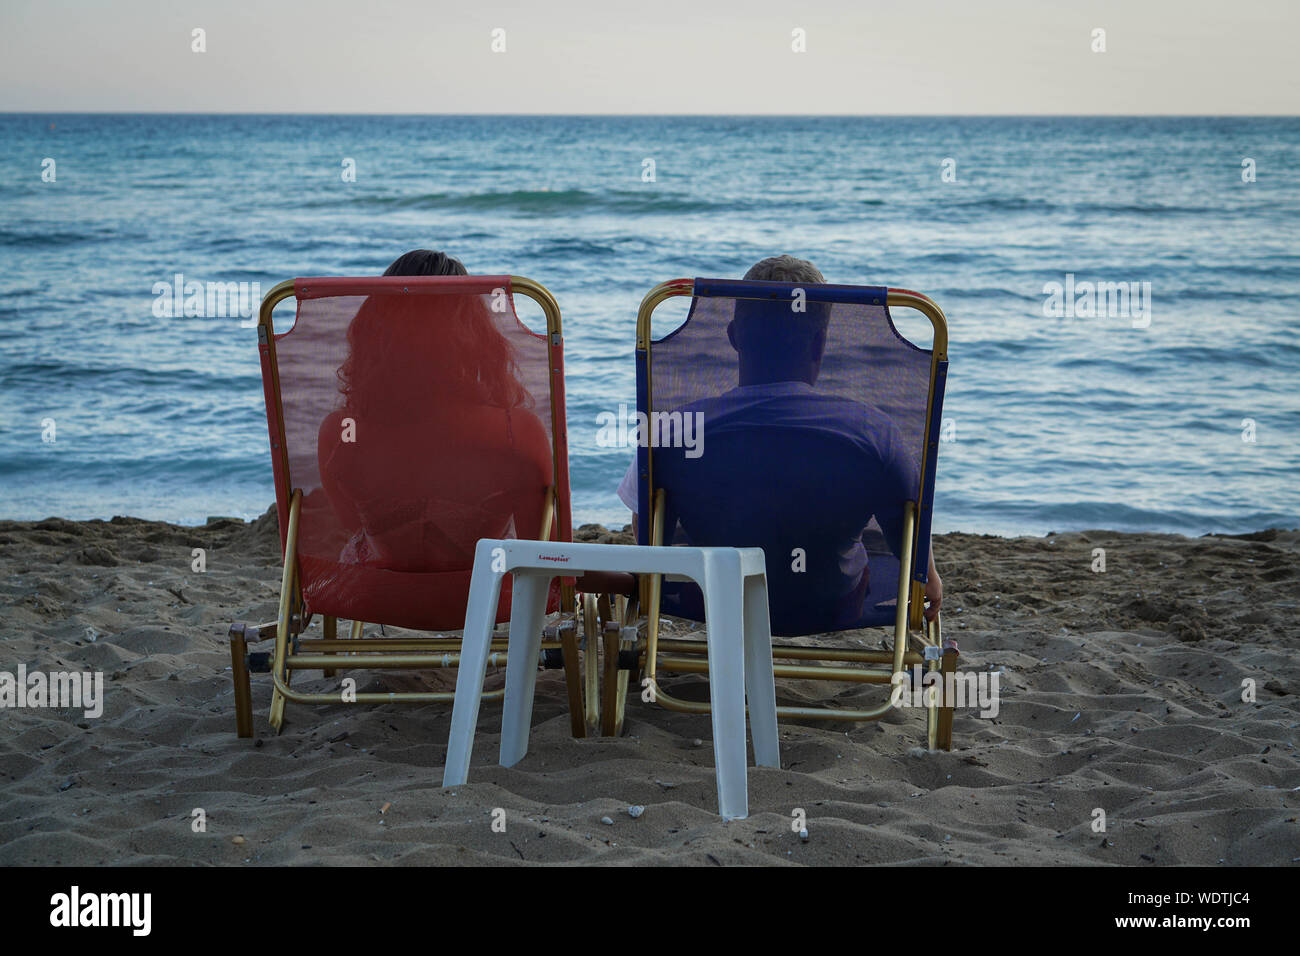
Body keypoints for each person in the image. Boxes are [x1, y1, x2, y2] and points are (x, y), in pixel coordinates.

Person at [616, 254, 942, 628]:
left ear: (734, 337)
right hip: (833, 606)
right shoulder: (874, 432)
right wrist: (929, 579)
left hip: (713, 601)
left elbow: (648, 536)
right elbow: (909, 534)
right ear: (821, 343)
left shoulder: (674, 429)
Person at [317, 249, 553, 572]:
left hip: (377, 593)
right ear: (474, 334)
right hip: (482, 591)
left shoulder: (340, 433)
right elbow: (541, 547)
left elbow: (348, 519)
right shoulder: (516, 433)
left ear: (374, 333)